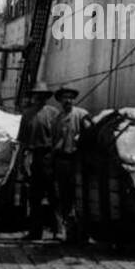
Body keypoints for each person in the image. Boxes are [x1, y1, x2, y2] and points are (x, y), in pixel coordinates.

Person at [20, 82, 58, 240]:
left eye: (42, 96)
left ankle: (58, 230)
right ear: (32, 97)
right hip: (34, 156)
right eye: (36, 95)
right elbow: (22, 140)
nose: (38, 98)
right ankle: (35, 231)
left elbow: (58, 136)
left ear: (46, 98)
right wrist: (22, 160)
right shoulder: (27, 114)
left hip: (49, 156)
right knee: (34, 196)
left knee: (54, 195)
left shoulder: (53, 113)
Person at [52, 86, 88, 241]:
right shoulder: (57, 119)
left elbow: (89, 134)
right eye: (65, 98)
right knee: (65, 196)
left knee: (80, 196)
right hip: (62, 161)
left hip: (77, 161)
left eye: (71, 98)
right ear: (60, 101)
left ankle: (83, 232)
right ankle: (70, 231)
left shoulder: (81, 115)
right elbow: (54, 140)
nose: (68, 101)